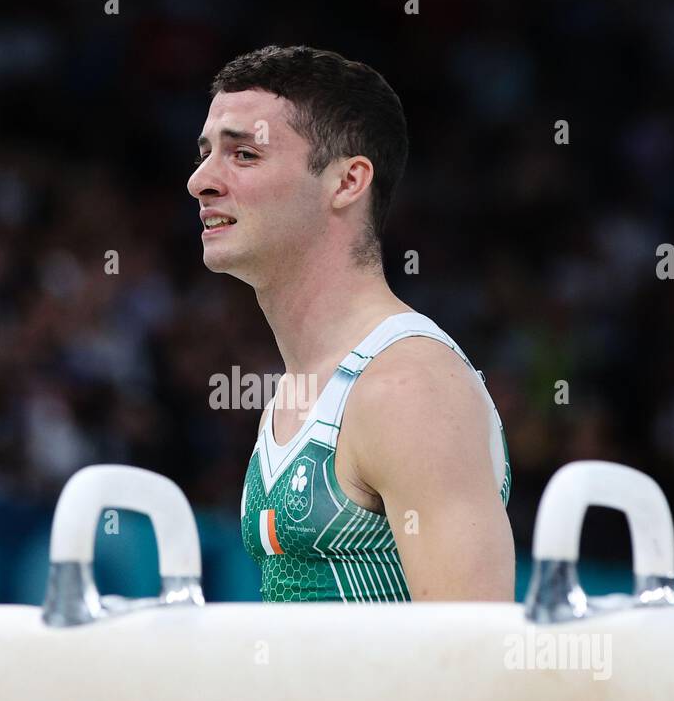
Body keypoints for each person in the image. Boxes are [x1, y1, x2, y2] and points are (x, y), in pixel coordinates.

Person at [188, 45, 513, 602]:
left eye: (243, 155)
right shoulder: (302, 386)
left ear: (346, 182)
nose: (200, 181)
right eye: (205, 153)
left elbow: (477, 661)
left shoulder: (409, 390)